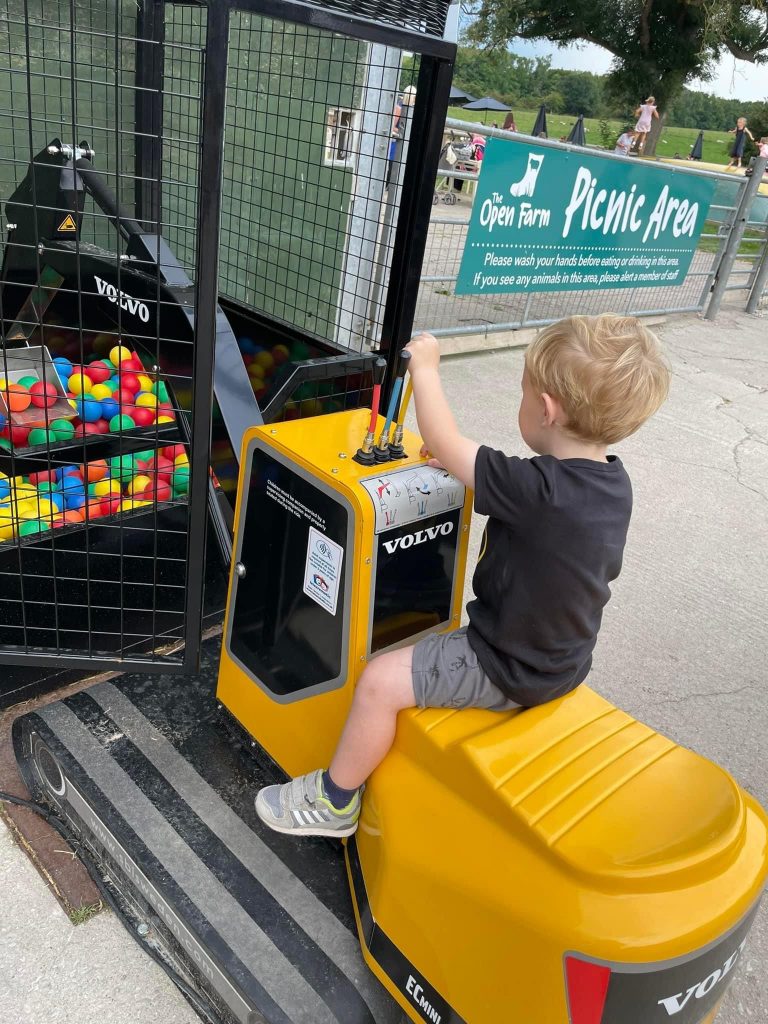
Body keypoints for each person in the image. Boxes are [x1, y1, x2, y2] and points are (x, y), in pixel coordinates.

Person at [254, 316, 671, 838]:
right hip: (566, 659)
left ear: (546, 409)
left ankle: (335, 801)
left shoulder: (536, 490)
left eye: (522, 391)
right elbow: (495, 473)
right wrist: (459, 462)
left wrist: (427, 368)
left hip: (506, 664)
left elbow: (445, 439)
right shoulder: (611, 483)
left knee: (380, 682)